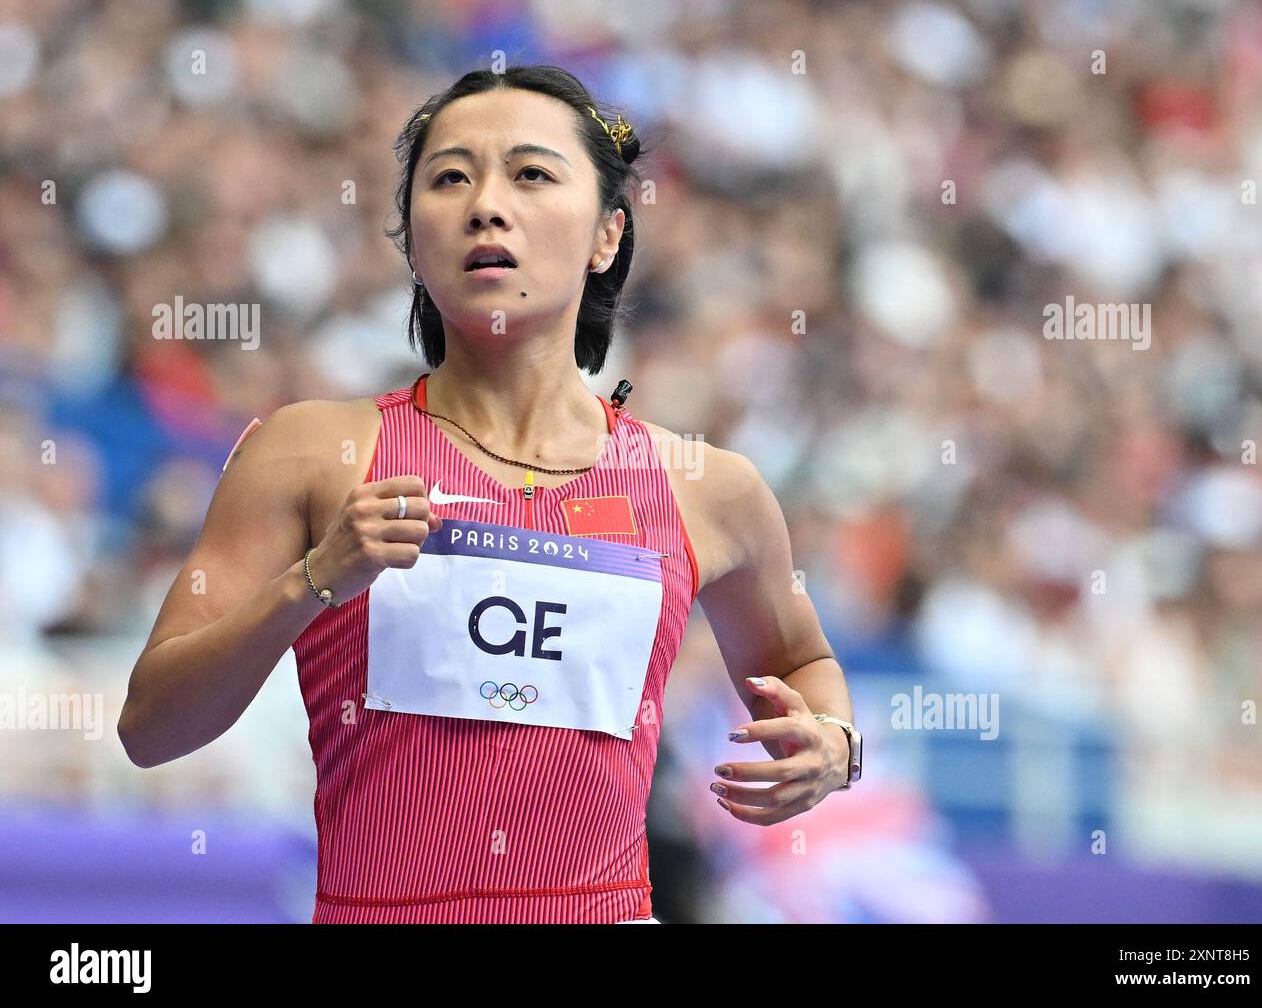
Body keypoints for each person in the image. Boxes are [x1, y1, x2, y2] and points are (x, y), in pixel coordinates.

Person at [118, 64, 861, 924]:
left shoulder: (709, 489)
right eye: (450, 177)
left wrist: (835, 748)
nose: (485, 205)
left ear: (607, 236)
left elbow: (803, 663)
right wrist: (315, 579)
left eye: (532, 173)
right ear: (412, 237)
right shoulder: (314, 451)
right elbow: (151, 728)